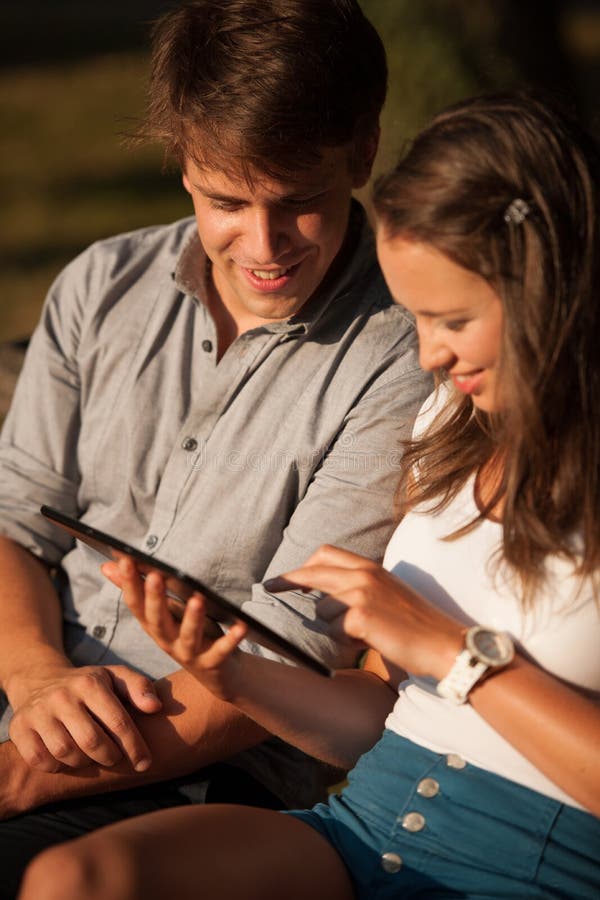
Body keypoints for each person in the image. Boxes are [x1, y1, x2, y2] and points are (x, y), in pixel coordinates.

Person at [17, 91, 600, 900]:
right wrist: (230, 674)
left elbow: (443, 669)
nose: (427, 352)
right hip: (363, 828)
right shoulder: (452, 428)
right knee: (79, 879)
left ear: (550, 286)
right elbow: (375, 717)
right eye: (416, 315)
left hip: (541, 863)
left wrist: (455, 657)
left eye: (450, 318)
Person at [0, 1, 431, 896]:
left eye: (300, 203)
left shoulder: (407, 351)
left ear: (362, 151)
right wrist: (38, 679)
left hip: (189, 779)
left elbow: (288, 660)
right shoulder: (101, 284)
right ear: (181, 159)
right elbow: (12, 525)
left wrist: (21, 771)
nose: (263, 248)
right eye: (225, 201)